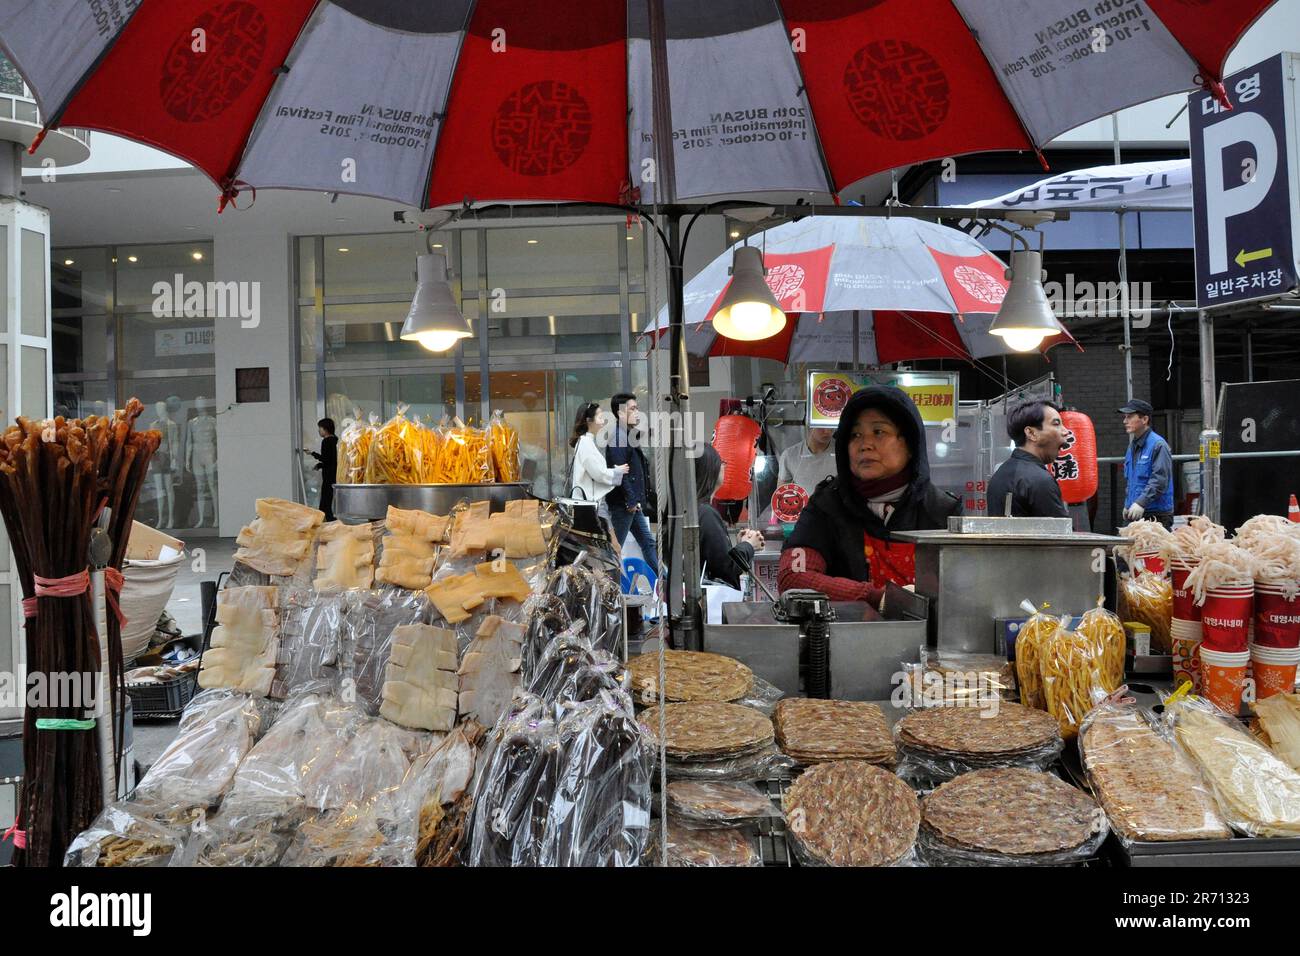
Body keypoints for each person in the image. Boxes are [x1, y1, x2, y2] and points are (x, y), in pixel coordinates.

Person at [778, 385, 962, 607]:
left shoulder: (942, 511)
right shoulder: (827, 505)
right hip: (843, 639)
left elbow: (963, 592)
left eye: (879, 432)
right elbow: (793, 577)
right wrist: (877, 597)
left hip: (926, 641)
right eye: (855, 435)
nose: (865, 445)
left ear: (910, 443)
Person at [695, 444, 765, 589]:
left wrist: (739, 545)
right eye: (721, 462)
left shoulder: (693, 509)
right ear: (710, 469)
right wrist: (749, 545)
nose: (724, 466)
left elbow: (713, 558)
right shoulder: (706, 514)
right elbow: (727, 567)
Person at [988, 400, 1070, 518]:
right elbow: (1061, 534)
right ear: (1031, 433)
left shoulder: (1000, 474)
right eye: (1056, 424)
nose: (1066, 431)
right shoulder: (1040, 480)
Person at [606, 392, 660, 570]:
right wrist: (630, 499)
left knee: (648, 543)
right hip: (624, 505)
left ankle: (664, 582)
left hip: (631, 503)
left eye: (637, 408)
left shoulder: (627, 435)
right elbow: (620, 471)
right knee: (615, 548)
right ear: (621, 413)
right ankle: (609, 587)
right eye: (633, 409)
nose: (637, 412)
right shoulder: (618, 437)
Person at [568, 401, 629, 550]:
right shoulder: (585, 443)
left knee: (605, 549)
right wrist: (617, 471)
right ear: (589, 421)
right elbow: (598, 473)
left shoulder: (585, 441)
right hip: (593, 504)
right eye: (600, 417)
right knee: (612, 548)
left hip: (592, 504)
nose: (603, 421)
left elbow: (596, 471)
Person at [1119, 399, 1174, 528]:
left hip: (1156, 515)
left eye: (1130, 417)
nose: (1125, 421)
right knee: (1124, 547)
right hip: (1136, 511)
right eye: (1125, 417)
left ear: (1144, 419)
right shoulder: (1132, 447)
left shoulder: (1158, 445)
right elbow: (1131, 480)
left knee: (1153, 548)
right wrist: (1128, 504)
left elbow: (1159, 480)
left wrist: (1141, 503)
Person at [777, 426, 837, 497]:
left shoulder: (845, 452)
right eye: (821, 425)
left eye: (831, 426)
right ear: (808, 424)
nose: (828, 431)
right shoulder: (789, 455)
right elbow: (781, 495)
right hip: (803, 506)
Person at [309, 418, 338, 521]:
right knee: (329, 497)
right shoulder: (335, 439)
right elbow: (332, 460)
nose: (319, 431)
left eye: (320, 428)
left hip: (328, 475)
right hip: (335, 473)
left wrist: (312, 453)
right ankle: (329, 517)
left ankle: (325, 520)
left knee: (325, 500)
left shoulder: (326, 441)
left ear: (325, 429)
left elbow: (325, 459)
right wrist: (319, 465)